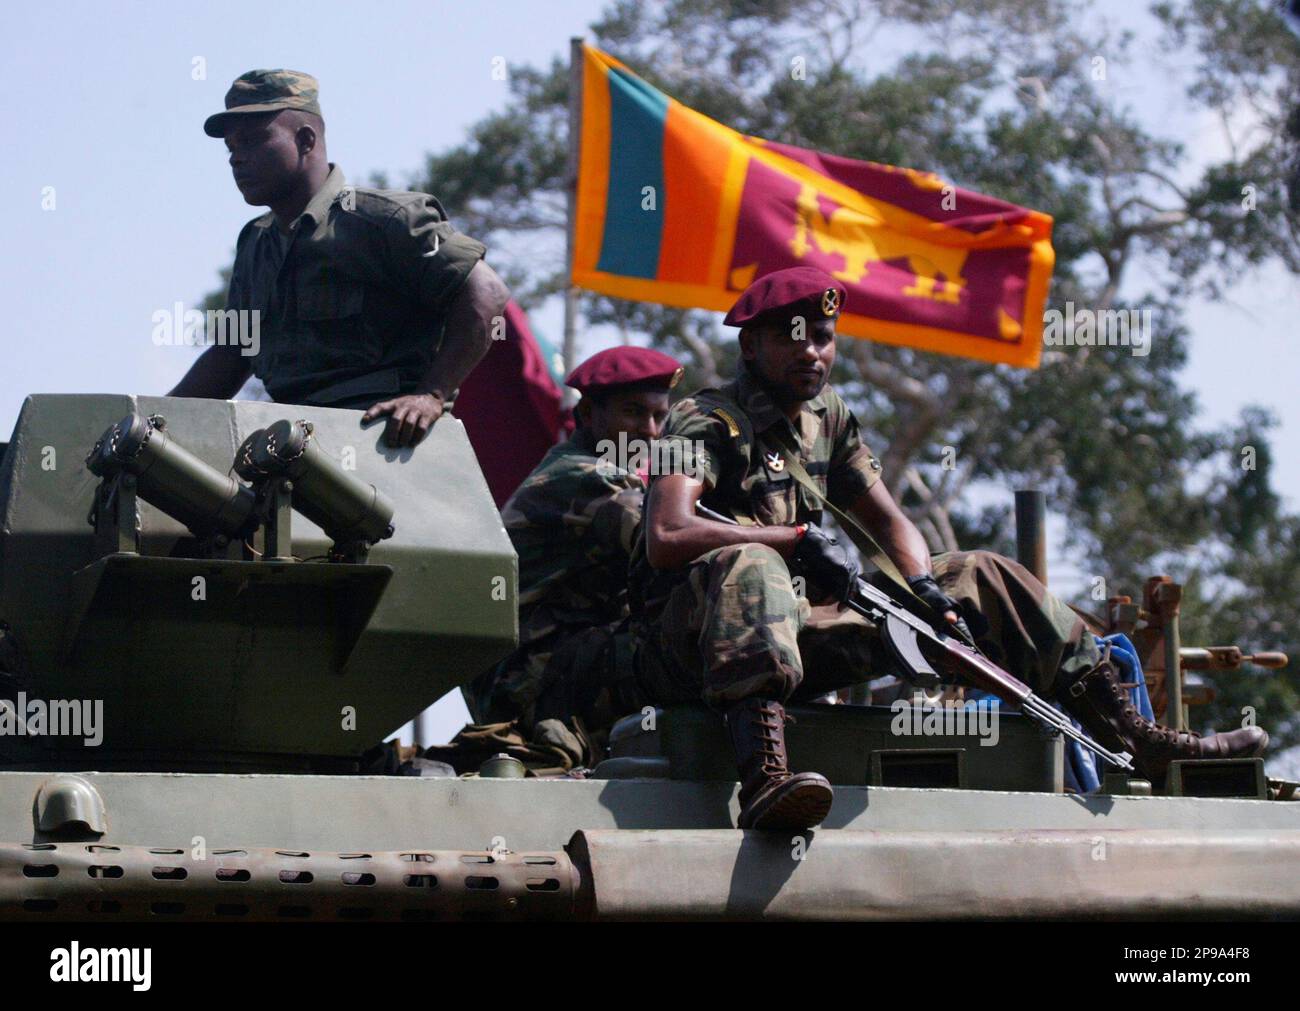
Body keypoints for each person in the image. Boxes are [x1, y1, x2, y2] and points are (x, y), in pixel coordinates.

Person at [629, 266, 1268, 831]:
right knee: (754, 563)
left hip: (795, 633)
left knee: (983, 573)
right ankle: (765, 777)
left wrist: (923, 588)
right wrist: (790, 540)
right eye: (791, 338)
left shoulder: (828, 416)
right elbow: (667, 536)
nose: (811, 353)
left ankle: (1135, 737)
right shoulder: (704, 419)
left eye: (822, 338)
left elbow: (891, 520)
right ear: (752, 345)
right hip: (694, 646)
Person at [169, 69, 510, 448]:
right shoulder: (257, 243)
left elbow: (488, 294)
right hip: (293, 443)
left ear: (305, 140)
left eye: (252, 141)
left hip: (386, 441)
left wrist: (432, 394)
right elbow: (232, 354)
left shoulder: (382, 220)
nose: (237, 159)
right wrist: (152, 422)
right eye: (231, 148)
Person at [468, 346, 685, 755]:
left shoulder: (606, 471)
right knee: (699, 636)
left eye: (659, 416)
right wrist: (786, 540)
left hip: (558, 663)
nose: (652, 430)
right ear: (587, 415)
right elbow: (673, 541)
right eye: (634, 412)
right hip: (526, 683)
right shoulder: (587, 478)